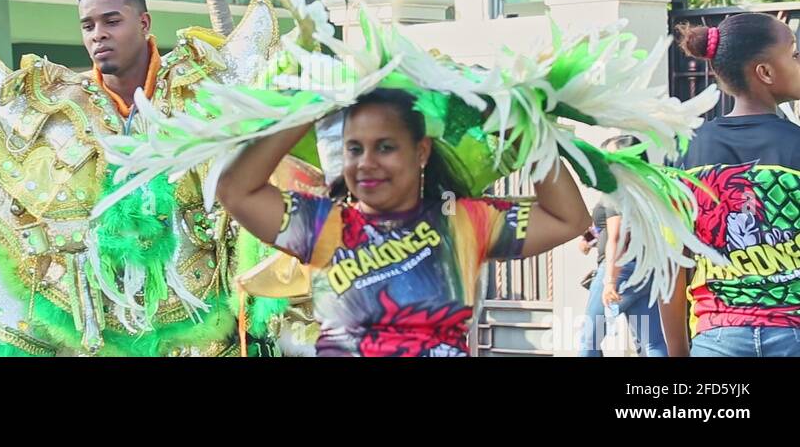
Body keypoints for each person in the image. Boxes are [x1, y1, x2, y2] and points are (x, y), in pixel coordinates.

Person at [0, 0, 285, 356]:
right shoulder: (59, 111)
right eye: (88, 25)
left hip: (206, 328)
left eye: (111, 21)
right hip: (94, 334)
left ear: (144, 23)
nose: (98, 34)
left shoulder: (200, 92)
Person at [215, 88, 592, 356]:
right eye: (354, 149)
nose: (366, 163)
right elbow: (235, 191)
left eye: (385, 147)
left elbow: (568, 218)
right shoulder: (320, 226)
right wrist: (310, 107)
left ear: (421, 151)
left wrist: (522, 126)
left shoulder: (464, 222)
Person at [663, 13, 800, 357]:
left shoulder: (685, 151)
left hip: (717, 338)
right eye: (794, 54)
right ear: (765, 72)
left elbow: (671, 263)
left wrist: (678, 352)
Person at [579, 137, 667, 357]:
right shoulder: (646, 188)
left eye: (608, 157)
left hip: (621, 270)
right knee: (651, 344)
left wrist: (610, 281)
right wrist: (590, 239)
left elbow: (618, 236)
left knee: (588, 339)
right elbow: (612, 226)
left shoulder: (618, 189)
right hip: (645, 270)